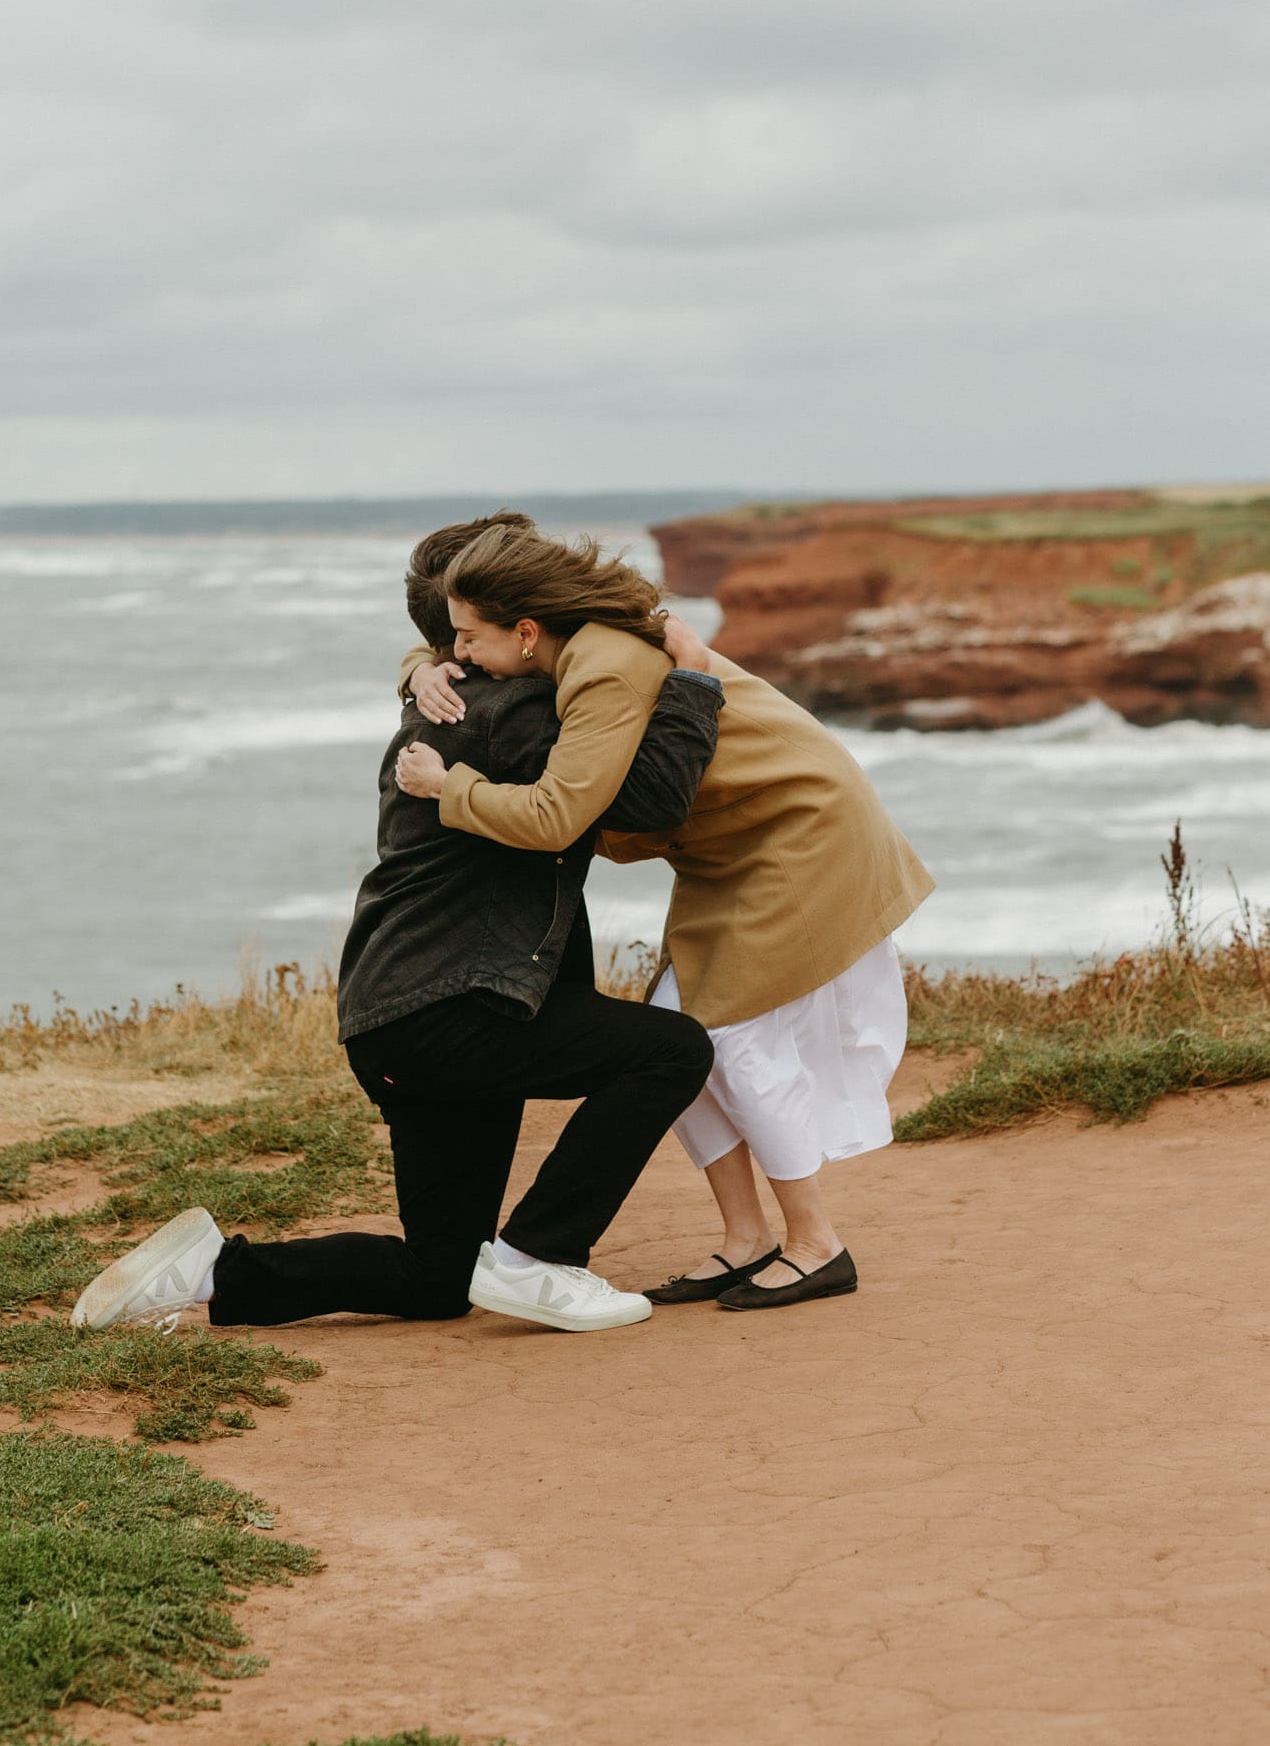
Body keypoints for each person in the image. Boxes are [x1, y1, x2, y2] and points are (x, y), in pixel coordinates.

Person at [70, 517, 722, 1340]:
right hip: (453, 1012)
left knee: (437, 1276)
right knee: (671, 1050)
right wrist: (692, 681)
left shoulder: (446, 705)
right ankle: (540, 1258)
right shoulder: (509, 716)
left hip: (400, 1020)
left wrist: (417, 665)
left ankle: (208, 1271)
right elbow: (649, 803)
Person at [395, 521, 934, 1312]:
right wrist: (417, 669)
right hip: (728, 848)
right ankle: (747, 1238)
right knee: (670, 1032)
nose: (459, 656)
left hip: (797, 831)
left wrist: (450, 792)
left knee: (729, 1033)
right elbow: (465, 659)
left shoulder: (602, 668)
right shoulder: (560, 651)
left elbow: (552, 818)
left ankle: (818, 1245)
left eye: (465, 640)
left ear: (525, 627)